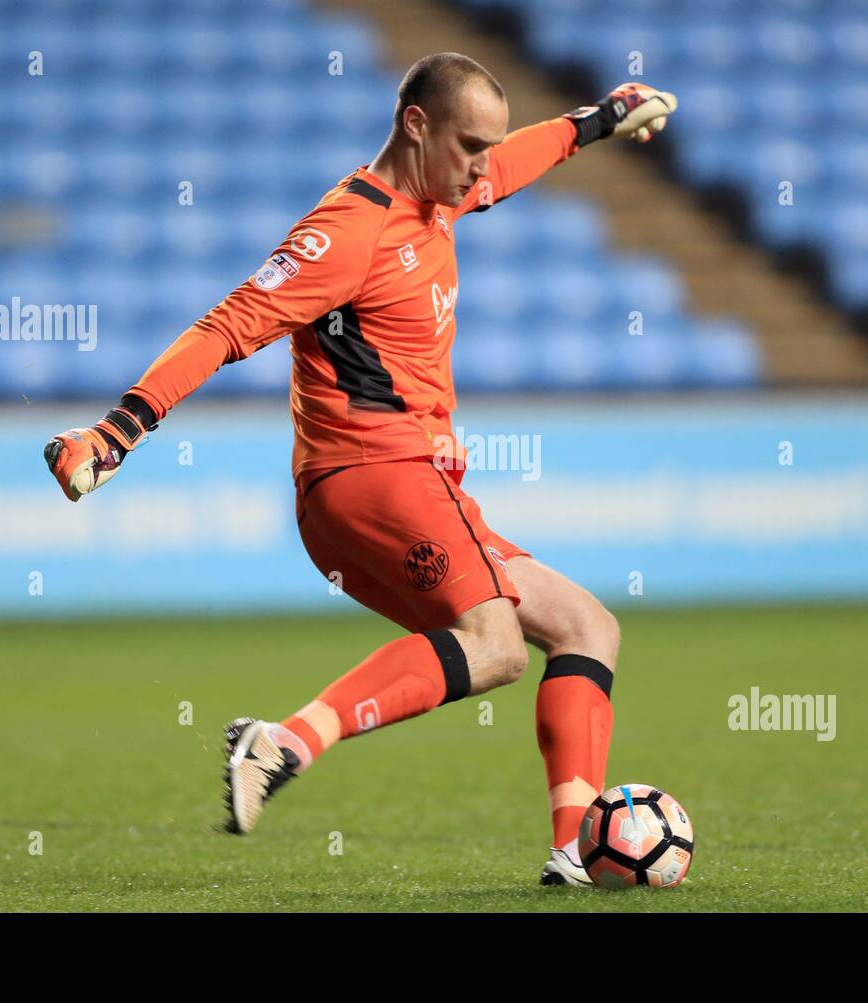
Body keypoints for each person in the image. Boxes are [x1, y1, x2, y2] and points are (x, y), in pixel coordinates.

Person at [44, 52, 676, 886]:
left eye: (487, 147)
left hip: (412, 484)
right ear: (416, 127)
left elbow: (514, 162)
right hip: (373, 473)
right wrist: (118, 429)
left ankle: (573, 849)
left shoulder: (445, 189)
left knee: (587, 628)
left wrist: (598, 120)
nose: (482, 165)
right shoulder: (348, 228)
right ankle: (284, 741)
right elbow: (227, 325)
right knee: (495, 645)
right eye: (469, 145)